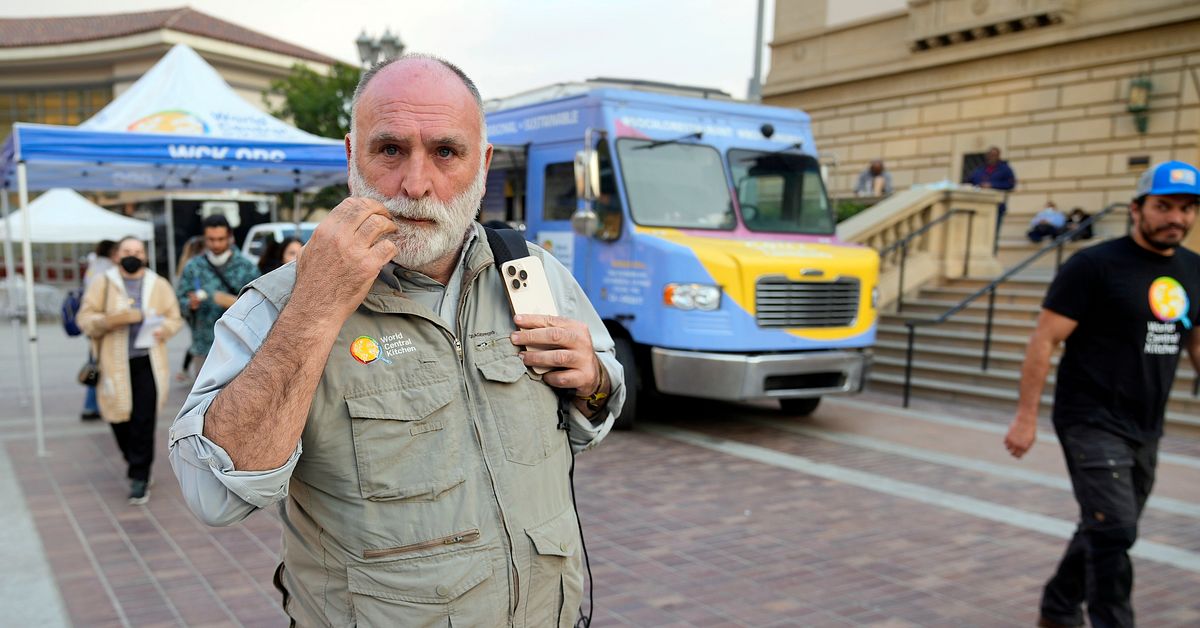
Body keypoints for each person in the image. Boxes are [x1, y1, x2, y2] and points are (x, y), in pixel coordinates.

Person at [170, 55, 624, 627]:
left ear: (482, 164)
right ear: (351, 157)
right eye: (389, 150)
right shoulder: (282, 304)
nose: (415, 184)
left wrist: (597, 382)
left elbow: (597, 410)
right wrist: (316, 306)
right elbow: (213, 495)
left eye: (445, 152)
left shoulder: (533, 274)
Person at [1004, 160, 1200, 628]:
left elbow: (1195, 339)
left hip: (1145, 422)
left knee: (1106, 525)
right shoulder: (1093, 265)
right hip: (1089, 418)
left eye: (1188, 208)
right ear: (1137, 209)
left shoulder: (1194, 270)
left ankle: (1057, 606)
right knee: (1115, 528)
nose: (1176, 218)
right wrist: (1025, 417)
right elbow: (1044, 340)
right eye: (1164, 206)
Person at [77, 236, 184, 504]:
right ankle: (133, 458)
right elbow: (85, 319)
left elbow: (174, 316)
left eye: (137, 251)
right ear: (116, 255)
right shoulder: (103, 284)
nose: (132, 255)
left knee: (143, 420)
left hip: (148, 362)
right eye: (127, 251)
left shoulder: (158, 284)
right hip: (113, 363)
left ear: (145, 256)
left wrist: (165, 329)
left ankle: (139, 475)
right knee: (118, 418)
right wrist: (108, 321)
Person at [174, 215, 258, 373]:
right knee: (204, 397)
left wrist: (231, 301)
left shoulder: (247, 267)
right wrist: (189, 304)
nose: (216, 244)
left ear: (230, 237)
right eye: (211, 239)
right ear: (204, 239)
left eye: (221, 239)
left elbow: (259, 305)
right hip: (204, 346)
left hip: (238, 347)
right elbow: (180, 300)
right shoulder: (194, 267)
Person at [81, 239, 116, 420]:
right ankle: (93, 405)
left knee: (95, 362)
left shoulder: (93, 266)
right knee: (101, 365)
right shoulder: (108, 270)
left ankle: (91, 405)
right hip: (104, 323)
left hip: (94, 323)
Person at [173, 235, 205, 382]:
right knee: (196, 341)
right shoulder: (195, 266)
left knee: (194, 339)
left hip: (190, 308)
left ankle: (184, 370)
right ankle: (185, 370)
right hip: (195, 306)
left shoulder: (184, 263)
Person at [968, 146, 1017, 227]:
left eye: (994, 155)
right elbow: (970, 181)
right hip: (979, 205)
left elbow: (1010, 185)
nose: (991, 157)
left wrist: (992, 185)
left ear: (998, 156)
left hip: (996, 206)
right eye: (989, 155)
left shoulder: (1005, 169)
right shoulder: (979, 169)